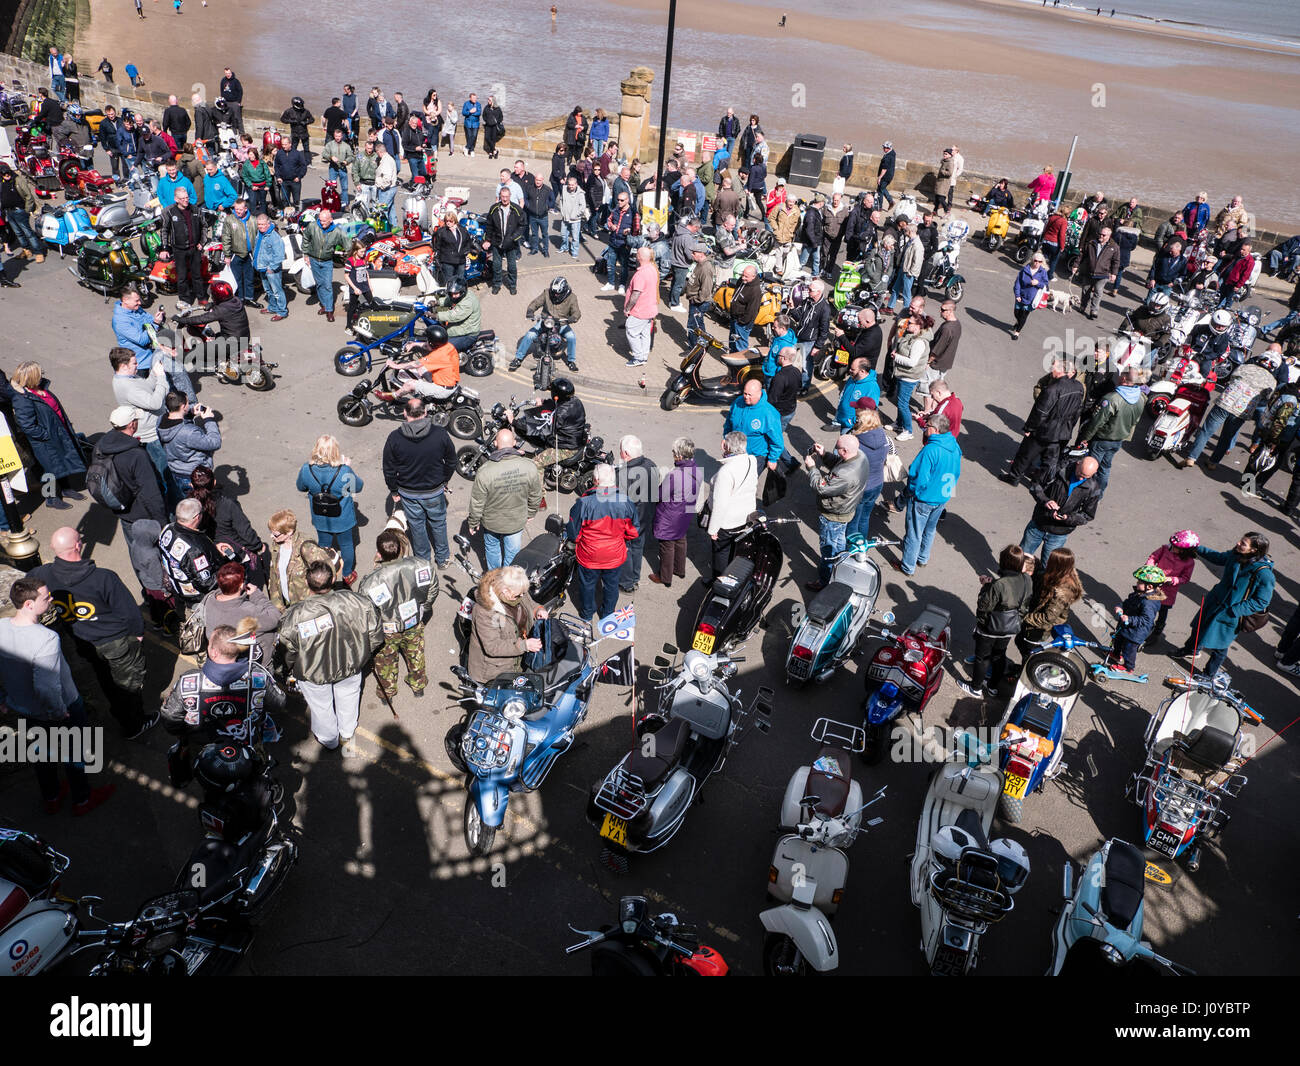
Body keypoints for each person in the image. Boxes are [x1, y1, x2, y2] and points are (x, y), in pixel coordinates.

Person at [0, 578, 114, 815]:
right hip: (62, 707)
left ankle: (51, 797)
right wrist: (58, 712)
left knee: (41, 752)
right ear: (29, 604)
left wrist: (3, 698)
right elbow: (47, 686)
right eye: (46, 598)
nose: (51, 600)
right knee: (74, 752)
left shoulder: (1, 628)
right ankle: (82, 799)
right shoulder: (46, 639)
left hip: (24, 707)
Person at [34, 527, 157, 738]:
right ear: (78, 545)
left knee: (105, 678)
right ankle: (134, 725)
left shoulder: (41, 574)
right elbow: (130, 613)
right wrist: (137, 635)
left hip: (84, 642)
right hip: (116, 642)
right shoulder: (104, 578)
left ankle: (118, 710)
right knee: (128, 685)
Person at [277, 562, 383, 756]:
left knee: (321, 707)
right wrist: (362, 655)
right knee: (349, 697)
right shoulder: (358, 601)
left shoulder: (295, 616)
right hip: (351, 665)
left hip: (313, 673)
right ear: (334, 579)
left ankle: (329, 739)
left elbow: (286, 651)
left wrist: (284, 670)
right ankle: (347, 730)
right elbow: (375, 634)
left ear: (307, 583)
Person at [162, 622, 286, 749]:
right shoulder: (258, 676)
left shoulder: (189, 680)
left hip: (200, 746)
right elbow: (279, 703)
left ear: (214, 652)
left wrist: (184, 734)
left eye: (209, 644)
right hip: (245, 744)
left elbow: (170, 717)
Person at [98, 406, 169, 622]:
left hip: (124, 513)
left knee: (136, 555)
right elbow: (151, 493)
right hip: (144, 516)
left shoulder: (102, 445)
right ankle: (160, 596)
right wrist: (163, 522)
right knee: (155, 557)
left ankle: (148, 593)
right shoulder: (136, 454)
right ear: (132, 425)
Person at [357, 529, 439, 702]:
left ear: (379, 553)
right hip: (414, 622)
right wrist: (424, 608)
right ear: (400, 547)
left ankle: (387, 694)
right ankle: (418, 686)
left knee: (386, 661)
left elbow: (368, 613)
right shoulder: (421, 565)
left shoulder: (370, 582)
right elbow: (432, 589)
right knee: (415, 654)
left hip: (387, 629)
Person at [383, 397, 456, 566]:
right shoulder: (440, 434)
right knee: (438, 523)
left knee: (416, 526)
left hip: (408, 492)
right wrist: (444, 480)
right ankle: (443, 558)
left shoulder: (394, 438)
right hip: (434, 490)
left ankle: (422, 561)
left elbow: (389, 469)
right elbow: (452, 461)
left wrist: (394, 490)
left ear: (405, 413)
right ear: (425, 412)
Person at [5, 362, 85, 509]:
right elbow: (27, 425)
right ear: (32, 377)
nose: (43, 374)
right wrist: (46, 434)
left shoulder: (40, 388)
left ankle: (66, 489)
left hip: (58, 432)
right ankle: (51, 498)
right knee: (49, 469)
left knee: (63, 462)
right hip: (44, 441)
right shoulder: (22, 399)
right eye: (40, 372)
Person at [959, 545, 1034, 699]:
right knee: (999, 656)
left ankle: (976, 688)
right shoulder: (1027, 579)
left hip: (990, 629)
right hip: (1011, 627)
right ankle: (993, 687)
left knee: (982, 658)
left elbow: (984, 606)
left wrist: (986, 586)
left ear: (1004, 563)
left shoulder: (999, 584)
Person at [1178, 355, 1277, 470]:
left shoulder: (1246, 367)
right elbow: (1267, 397)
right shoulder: (1272, 381)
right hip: (1242, 411)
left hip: (1225, 402)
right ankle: (1213, 462)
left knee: (1206, 431)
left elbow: (1232, 378)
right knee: (1227, 437)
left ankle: (1191, 458)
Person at [566, 464, 638, 621]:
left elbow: (574, 533)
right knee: (612, 586)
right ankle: (607, 614)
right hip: (614, 555)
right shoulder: (626, 502)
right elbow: (633, 531)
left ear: (596, 480)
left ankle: (586, 614)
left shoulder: (583, 503)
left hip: (589, 555)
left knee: (587, 585)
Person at [467, 427, 543, 569]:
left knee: (492, 547)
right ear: (514, 442)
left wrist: (473, 521)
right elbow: (536, 494)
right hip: (516, 521)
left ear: (495, 443)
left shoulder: (485, 470)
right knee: (513, 552)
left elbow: (477, 501)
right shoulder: (529, 466)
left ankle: (494, 576)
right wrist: (531, 512)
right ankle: (508, 579)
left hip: (491, 522)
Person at [896, 413, 961, 575]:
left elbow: (917, 477)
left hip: (924, 499)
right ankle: (922, 558)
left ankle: (907, 567)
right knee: (930, 530)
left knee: (914, 534)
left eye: (927, 427)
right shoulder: (955, 445)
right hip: (942, 497)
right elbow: (956, 472)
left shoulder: (930, 450)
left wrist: (911, 493)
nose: (925, 429)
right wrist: (947, 494)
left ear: (935, 430)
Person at [1004, 357, 1084, 485]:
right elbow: (1077, 411)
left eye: (1054, 367)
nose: (1052, 369)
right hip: (1062, 433)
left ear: (1060, 371)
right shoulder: (1078, 387)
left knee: (1025, 455)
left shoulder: (1052, 389)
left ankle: (1014, 477)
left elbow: (1040, 412)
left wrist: (1029, 428)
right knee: (1049, 461)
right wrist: (1069, 428)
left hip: (1044, 432)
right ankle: (1040, 483)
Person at [804, 435, 868, 591]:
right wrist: (824, 455)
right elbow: (839, 465)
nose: (836, 451)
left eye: (838, 449)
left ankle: (825, 581)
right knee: (839, 546)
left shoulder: (845, 474)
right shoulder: (860, 456)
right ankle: (840, 571)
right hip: (846, 511)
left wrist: (812, 468)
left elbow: (821, 487)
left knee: (829, 550)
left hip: (834, 516)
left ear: (845, 450)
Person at [297, 434, 363, 582]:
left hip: (320, 516)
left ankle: (323, 574)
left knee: (324, 544)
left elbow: (300, 487)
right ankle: (347, 573)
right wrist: (348, 467)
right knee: (346, 544)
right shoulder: (344, 471)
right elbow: (357, 487)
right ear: (335, 452)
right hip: (342, 517)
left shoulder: (307, 469)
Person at [466, 566, 547, 684]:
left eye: (523, 593)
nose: (521, 597)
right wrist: (524, 645)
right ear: (505, 591)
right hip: (494, 671)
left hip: (515, 660)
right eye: (518, 595)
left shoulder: (517, 591)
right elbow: (493, 646)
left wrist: (538, 610)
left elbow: (530, 603)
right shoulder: (487, 612)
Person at [187, 466, 267, 585]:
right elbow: (245, 530)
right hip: (233, 552)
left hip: (209, 555)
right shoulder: (228, 504)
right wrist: (258, 546)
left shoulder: (189, 507)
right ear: (214, 482)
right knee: (240, 583)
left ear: (191, 485)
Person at [1076, 366, 1147, 494]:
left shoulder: (1112, 399)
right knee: (1105, 468)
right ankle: (1098, 494)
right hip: (1118, 440)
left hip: (1102, 439)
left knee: (1091, 467)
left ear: (1124, 378)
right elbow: (1135, 421)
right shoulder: (1141, 398)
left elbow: (1096, 422)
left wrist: (1085, 438)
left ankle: (1084, 495)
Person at [1020, 454, 1100, 562]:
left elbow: (1087, 515)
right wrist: (1045, 501)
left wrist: (1068, 518)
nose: (1081, 478)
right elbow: (1035, 485)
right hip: (1039, 522)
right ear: (1078, 464)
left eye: (1086, 477)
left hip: (1059, 533)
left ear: (1094, 473)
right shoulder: (1058, 469)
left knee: (1049, 567)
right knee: (1021, 559)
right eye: (1080, 473)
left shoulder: (1093, 488)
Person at [200, 562, 282, 666]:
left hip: (218, 657)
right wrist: (257, 595)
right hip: (254, 663)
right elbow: (275, 617)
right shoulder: (247, 611)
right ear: (241, 585)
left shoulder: (209, 599)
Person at [649, 438, 701, 589]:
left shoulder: (674, 475)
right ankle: (680, 569)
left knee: (667, 545)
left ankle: (665, 577)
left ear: (679, 455)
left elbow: (660, 495)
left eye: (673, 452)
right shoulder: (697, 471)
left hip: (670, 515)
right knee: (680, 539)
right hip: (686, 512)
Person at [158, 497, 226, 612]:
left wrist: (214, 550)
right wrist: (227, 572)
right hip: (197, 597)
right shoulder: (194, 549)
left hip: (178, 586)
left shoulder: (167, 529)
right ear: (197, 517)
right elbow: (206, 583)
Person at [267, 509, 336, 609]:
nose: (271, 536)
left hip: (306, 607)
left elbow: (329, 574)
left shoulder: (307, 548)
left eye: (275, 534)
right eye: (271, 532)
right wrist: (276, 604)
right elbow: (274, 575)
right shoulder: (276, 545)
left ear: (289, 532)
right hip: (287, 605)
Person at [1107, 566, 1170, 674]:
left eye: (1139, 582)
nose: (1137, 583)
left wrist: (1129, 619)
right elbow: (1127, 602)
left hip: (1135, 632)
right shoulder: (1138, 593)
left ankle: (1128, 667)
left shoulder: (1148, 602)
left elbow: (1146, 620)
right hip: (1126, 627)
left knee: (1129, 650)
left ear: (1149, 586)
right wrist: (1120, 606)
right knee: (1118, 640)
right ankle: (1116, 654)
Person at [157, 393, 220, 498]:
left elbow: (177, 427)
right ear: (182, 406)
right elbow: (214, 442)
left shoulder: (160, 420)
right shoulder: (189, 432)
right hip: (194, 475)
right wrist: (209, 420)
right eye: (188, 403)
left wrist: (190, 415)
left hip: (176, 471)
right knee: (201, 505)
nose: (189, 405)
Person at [617, 436, 659, 593]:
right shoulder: (651, 465)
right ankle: (635, 577)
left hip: (629, 522)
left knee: (626, 550)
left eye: (620, 451)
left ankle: (627, 583)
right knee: (638, 548)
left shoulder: (623, 473)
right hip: (645, 518)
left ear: (626, 453)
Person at [1143, 530, 1200, 647]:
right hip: (1152, 584)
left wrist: (1172, 580)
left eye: (1176, 547)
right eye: (1172, 546)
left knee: (1163, 611)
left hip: (1168, 592)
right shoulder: (1165, 549)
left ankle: (1157, 631)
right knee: (1147, 607)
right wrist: (1149, 568)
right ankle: (1144, 626)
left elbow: (1185, 578)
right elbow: (1153, 557)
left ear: (1186, 551)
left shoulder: (1189, 562)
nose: (1172, 548)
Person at [514, 276, 581, 372]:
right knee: (530, 335)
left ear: (564, 290)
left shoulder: (572, 297)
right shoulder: (547, 293)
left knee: (571, 337)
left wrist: (572, 318)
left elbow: (577, 312)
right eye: (554, 293)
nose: (555, 295)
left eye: (558, 293)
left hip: (562, 323)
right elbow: (535, 303)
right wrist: (530, 311)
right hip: (545, 321)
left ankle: (571, 361)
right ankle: (518, 358)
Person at [725, 378, 784, 476]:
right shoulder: (737, 403)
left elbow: (777, 440)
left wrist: (772, 459)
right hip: (736, 452)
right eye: (745, 393)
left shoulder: (769, 413)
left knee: (747, 483)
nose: (746, 397)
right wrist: (726, 438)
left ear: (759, 394)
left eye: (749, 395)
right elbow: (729, 423)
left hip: (755, 457)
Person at [159, 186, 204, 309]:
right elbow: (164, 230)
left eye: (187, 198)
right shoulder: (169, 212)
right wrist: (164, 248)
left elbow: (204, 226)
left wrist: (202, 242)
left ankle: (201, 298)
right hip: (179, 250)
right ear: (176, 199)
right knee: (182, 277)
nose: (186, 200)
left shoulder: (196, 209)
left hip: (194, 249)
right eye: (182, 198)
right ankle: (185, 300)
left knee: (197, 275)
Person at [890, 316, 932, 441]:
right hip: (903, 374)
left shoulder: (919, 342)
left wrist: (896, 356)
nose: (907, 324)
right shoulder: (911, 335)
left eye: (910, 323)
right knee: (900, 401)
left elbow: (912, 362)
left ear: (918, 326)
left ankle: (908, 430)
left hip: (909, 377)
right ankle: (898, 423)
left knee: (903, 404)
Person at [302, 209, 347, 321]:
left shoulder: (337, 231)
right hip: (314, 259)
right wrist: (305, 254)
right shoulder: (313, 226)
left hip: (327, 261)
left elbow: (348, 244)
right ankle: (324, 305)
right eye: (320, 220)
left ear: (331, 220)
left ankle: (329, 310)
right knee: (319, 284)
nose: (321, 223)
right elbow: (306, 238)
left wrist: (350, 256)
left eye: (324, 221)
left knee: (327, 285)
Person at [482, 186, 525, 296]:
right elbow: (489, 225)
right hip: (497, 242)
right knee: (496, 265)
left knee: (512, 266)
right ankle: (496, 284)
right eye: (502, 197)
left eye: (506, 197)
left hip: (511, 243)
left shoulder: (516, 209)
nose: (505, 199)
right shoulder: (494, 208)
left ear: (510, 196)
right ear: (500, 197)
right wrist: (487, 240)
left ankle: (512, 285)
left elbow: (522, 226)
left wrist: (513, 238)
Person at [623, 246, 659, 367]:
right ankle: (644, 356)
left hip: (640, 310)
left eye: (637, 254)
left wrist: (627, 309)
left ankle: (638, 357)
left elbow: (635, 294)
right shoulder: (653, 269)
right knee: (644, 334)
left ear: (640, 257)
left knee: (631, 330)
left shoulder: (640, 275)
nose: (635, 256)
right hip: (650, 309)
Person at [252, 213, 288, 321]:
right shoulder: (260, 233)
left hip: (271, 270)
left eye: (263, 224)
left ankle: (282, 311)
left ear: (268, 223)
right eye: (259, 224)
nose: (261, 227)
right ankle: (272, 307)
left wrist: (271, 268)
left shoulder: (274, 237)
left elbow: (279, 255)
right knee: (268, 290)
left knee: (277, 291)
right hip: (262, 267)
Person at [1079, 225, 1119, 319]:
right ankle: (1083, 306)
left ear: (1109, 236)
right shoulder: (1092, 243)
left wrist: (1114, 273)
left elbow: (1116, 261)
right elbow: (1082, 255)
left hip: (1103, 274)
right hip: (1089, 271)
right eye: (1100, 234)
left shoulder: (1114, 247)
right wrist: (1076, 265)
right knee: (1085, 290)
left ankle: (1094, 310)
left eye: (1104, 235)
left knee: (1098, 292)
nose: (1101, 236)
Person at [1011, 252, 1051, 338]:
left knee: (1024, 315)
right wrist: (1017, 294)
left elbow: (1045, 284)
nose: (1037, 263)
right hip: (1021, 296)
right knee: (1017, 313)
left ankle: (1017, 332)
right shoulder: (1025, 269)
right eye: (1036, 261)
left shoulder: (1042, 272)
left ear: (1042, 262)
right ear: (1032, 260)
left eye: (1040, 261)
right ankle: (1018, 322)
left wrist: (1038, 283)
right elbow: (1017, 283)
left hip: (1032, 299)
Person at [523, 173, 556, 257]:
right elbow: (525, 198)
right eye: (536, 180)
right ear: (535, 180)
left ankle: (545, 250)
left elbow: (552, 199)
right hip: (532, 216)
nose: (538, 182)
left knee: (545, 234)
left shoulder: (547, 189)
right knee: (534, 234)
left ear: (542, 180)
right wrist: (528, 206)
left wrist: (548, 206)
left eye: (539, 180)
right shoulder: (529, 188)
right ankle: (535, 249)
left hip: (543, 217)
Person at [321, 127, 354, 207]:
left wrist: (346, 161)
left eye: (339, 136)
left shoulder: (346, 146)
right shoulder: (330, 144)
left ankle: (345, 204)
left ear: (342, 136)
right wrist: (331, 157)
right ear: (334, 135)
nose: (337, 138)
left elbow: (351, 156)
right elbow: (324, 154)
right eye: (336, 136)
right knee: (331, 187)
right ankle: (331, 203)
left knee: (345, 187)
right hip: (333, 167)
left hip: (342, 168)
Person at [876, 141, 896, 208]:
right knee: (882, 189)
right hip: (890, 175)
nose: (884, 149)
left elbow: (884, 169)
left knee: (880, 190)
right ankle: (889, 202)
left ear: (889, 148)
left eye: (886, 148)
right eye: (884, 147)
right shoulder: (893, 153)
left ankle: (881, 206)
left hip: (885, 176)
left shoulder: (887, 157)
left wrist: (879, 177)